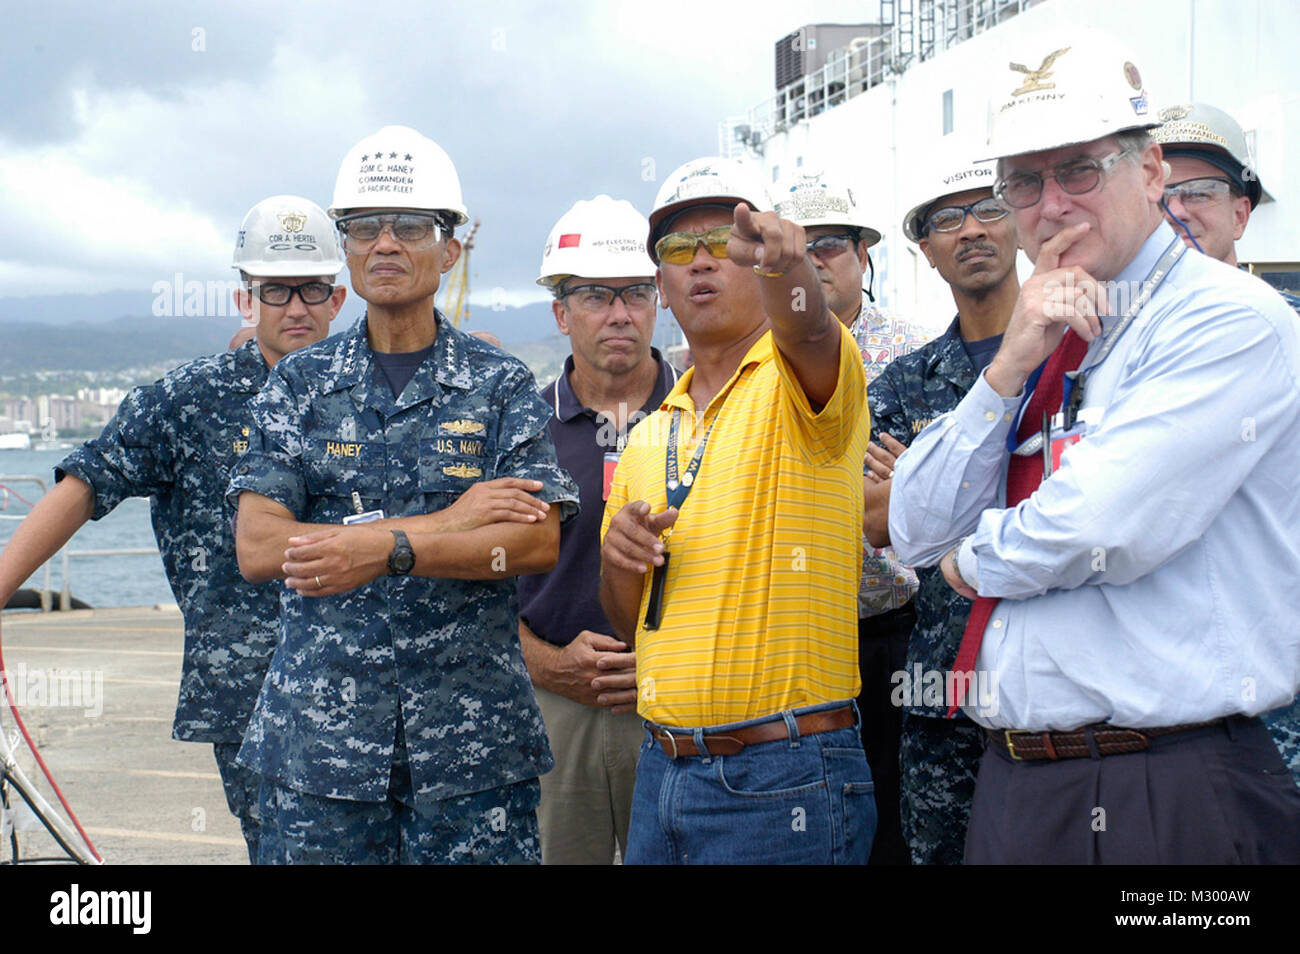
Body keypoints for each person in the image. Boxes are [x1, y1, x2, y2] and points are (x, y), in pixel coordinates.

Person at [890, 30, 1300, 863]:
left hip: (1168, 782)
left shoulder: (1226, 319)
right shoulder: (1044, 331)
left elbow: (1100, 525)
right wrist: (1006, 370)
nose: (1051, 205)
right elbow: (913, 527)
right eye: (1024, 182)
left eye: (1079, 169)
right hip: (1016, 780)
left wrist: (970, 562)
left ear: (1149, 172)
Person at [227, 126, 579, 865]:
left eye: (410, 226)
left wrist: (385, 550)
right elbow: (258, 547)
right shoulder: (298, 384)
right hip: (321, 753)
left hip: (472, 755)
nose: (385, 243)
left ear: (449, 249)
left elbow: (534, 539)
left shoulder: (499, 383)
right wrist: (450, 522)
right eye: (364, 227)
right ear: (346, 250)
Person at [0, 195, 347, 862]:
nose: (296, 307)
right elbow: (85, 485)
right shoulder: (190, 400)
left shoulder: (372, 398)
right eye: (276, 290)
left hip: (369, 686)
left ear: (337, 298)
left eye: (311, 288)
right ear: (246, 299)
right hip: (250, 692)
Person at [599, 157, 874, 865]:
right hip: (662, 768)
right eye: (678, 248)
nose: (701, 261)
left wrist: (789, 269)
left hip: (784, 775)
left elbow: (808, 330)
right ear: (661, 286)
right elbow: (628, 623)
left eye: (724, 241)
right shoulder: (648, 433)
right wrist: (620, 560)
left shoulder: (802, 381)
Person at [862, 158, 1019, 864]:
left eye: (988, 209)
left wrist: (928, 486)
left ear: (1019, 221)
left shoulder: (1081, 354)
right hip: (943, 688)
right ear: (925, 249)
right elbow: (877, 520)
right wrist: (1003, 485)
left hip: (1062, 676)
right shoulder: (906, 379)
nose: (971, 230)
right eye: (947, 220)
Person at [517, 195, 679, 864]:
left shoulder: (708, 418)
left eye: (636, 292)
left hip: (682, 708)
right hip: (557, 709)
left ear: (658, 300)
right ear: (561, 313)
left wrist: (668, 662)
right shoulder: (520, 433)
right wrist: (550, 664)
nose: (619, 313)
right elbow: (474, 589)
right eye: (594, 296)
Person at [772, 169, 922, 865]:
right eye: (796, 249)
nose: (812, 262)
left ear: (865, 254)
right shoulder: (755, 362)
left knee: (899, 815)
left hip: (894, 626)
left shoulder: (918, 356)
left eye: (828, 245)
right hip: (793, 634)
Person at [1153, 102, 1300, 785]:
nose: (1178, 210)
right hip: (1158, 713)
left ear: (1242, 213)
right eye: (1161, 195)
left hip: (1277, 699)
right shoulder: (1098, 353)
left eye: (1200, 193)